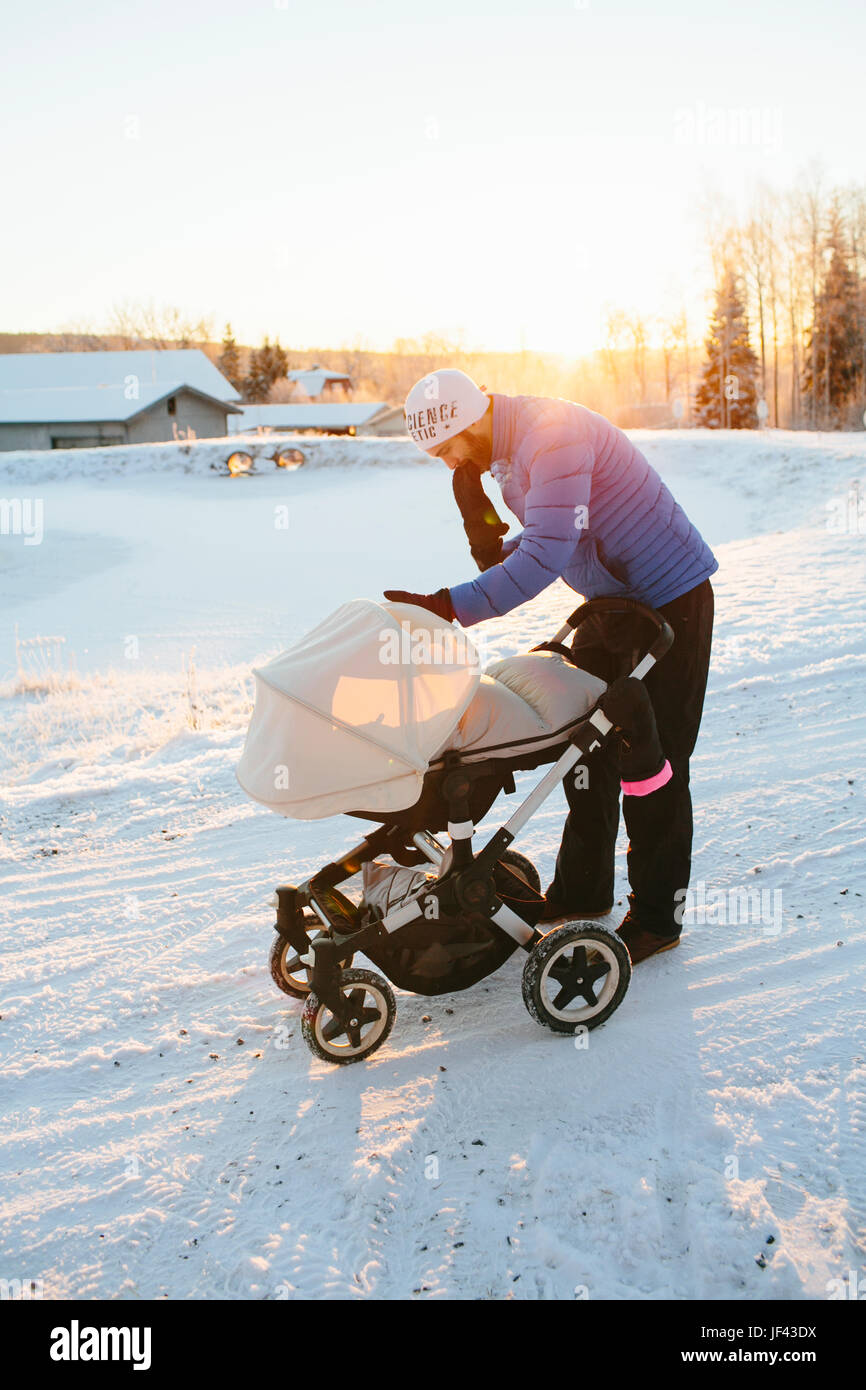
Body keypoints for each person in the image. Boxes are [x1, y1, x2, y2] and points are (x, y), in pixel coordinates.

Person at [385, 368, 717, 963]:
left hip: (670, 600)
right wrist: (484, 537)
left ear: (470, 420)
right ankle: (582, 893)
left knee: (655, 759)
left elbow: (546, 554)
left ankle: (658, 916)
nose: (448, 462)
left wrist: (451, 605)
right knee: (582, 739)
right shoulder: (508, 452)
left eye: (446, 448)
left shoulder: (552, 433)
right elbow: (549, 535)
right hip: (610, 601)